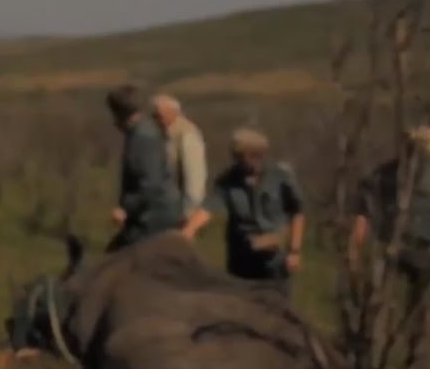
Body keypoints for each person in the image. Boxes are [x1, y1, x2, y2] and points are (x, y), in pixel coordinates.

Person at [348, 124, 430, 366]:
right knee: (380, 299)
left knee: (421, 305)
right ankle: (372, 348)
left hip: (429, 247)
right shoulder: (387, 173)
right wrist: (355, 244)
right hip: (391, 245)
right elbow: (364, 208)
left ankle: (417, 354)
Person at [183, 127, 305, 294]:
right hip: (242, 256)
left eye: (253, 156)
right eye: (241, 157)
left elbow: (297, 212)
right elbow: (209, 208)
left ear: (261, 154)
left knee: (276, 307)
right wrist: (189, 230)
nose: (248, 161)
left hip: (274, 257)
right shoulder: (228, 180)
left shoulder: (280, 176)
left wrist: (294, 250)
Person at [106, 85, 182, 252]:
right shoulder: (139, 133)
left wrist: (125, 209)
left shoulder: (143, 137)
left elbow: (151, 185)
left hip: (154, 219)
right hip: (147, 215)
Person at [152, 93, 207, 233]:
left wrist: (189, 213)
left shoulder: (187, 134)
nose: (156, 119)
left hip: (178, 212)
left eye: (159, 115)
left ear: (173, 113)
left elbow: (195, 177)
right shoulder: (162, 134)